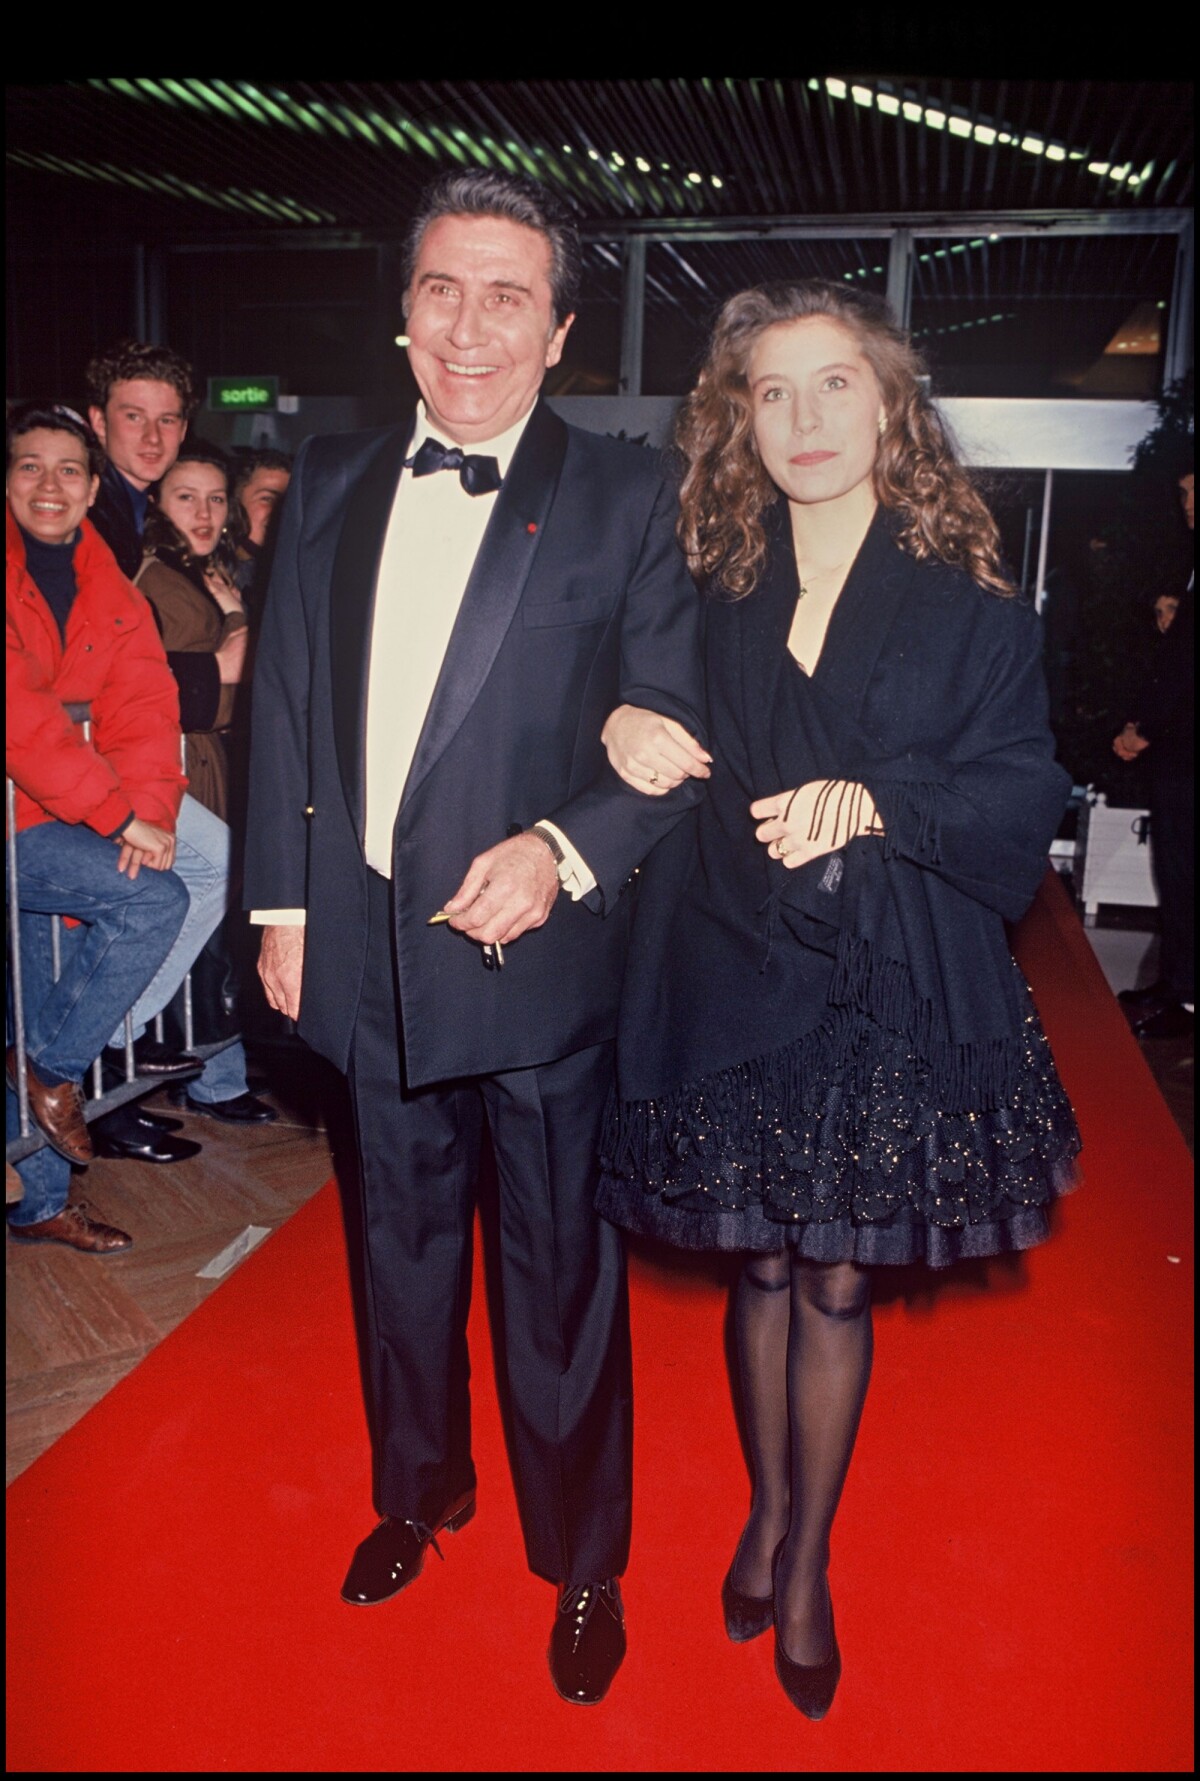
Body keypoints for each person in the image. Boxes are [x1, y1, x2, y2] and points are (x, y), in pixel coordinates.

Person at [244, 170, 705, 1705]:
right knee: (396, 1246)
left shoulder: (631, 496)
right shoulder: (329, 479)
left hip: (536, 954)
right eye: (443, 288)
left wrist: (567, 848)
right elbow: (290, 714)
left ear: (562, 329)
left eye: (509, 293)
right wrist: (284, 907)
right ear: (401, 316)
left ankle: (582, 1558)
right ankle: (417, 1485)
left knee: (558, 1270)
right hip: (363, 951)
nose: (471, 325)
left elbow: (673, 723)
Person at [596, 281, 1081, 1718]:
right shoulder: (706, 586)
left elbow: (1018, 790)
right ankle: (764, 1509)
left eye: (834, 386)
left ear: (890, 410)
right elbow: (630, 711)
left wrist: (872, 797)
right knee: (758, 1264)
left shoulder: (970, 612)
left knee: (837, 1273)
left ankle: (805, 1560)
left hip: (880, 982)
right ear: (739, 421)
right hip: (727, 959)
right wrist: (622, 713)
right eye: (771, 392)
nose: (804, 419)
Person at [5, 403, 192, 1251]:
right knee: (155, 902)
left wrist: (147, 812)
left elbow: (148, 704)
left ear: (90, 489)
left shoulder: (106, 579)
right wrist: (115, 813)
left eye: (69, 470)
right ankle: (48, 1072)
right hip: (20, 815)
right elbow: (20, 718)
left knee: (42, 987)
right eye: (29, 466)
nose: (51, 485)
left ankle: (40, 1202)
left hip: (53, 811)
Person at [84, 339, 256, 1152]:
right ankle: (93, 1060)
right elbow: (102, 657)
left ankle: (108, 1064)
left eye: (167, 420)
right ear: (98, 421)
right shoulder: (97, 515)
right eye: (132, 417)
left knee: (192, 886)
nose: (151, 437)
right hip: (99, 762)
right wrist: (216, 663)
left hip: (142, 755)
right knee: (188, 882)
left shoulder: (133, 517)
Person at [136, 443, 275, 1125]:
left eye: (217, 497)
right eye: (186, 495)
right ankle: (129, 1055)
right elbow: (229, 664)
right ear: (157, 502)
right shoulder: (152, 575)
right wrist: (239, 628)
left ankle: (217, 1076)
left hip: (214, 755)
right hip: (173, 759)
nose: (205, 510)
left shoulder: (207, 571)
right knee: (188, 905)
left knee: (215, 923)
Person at [1112, 465, 1194, 1039]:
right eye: (1183, 489)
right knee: (1178, 872)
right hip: (1179, 749)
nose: (1186, 499)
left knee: (1185, 872)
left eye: (1194, 489)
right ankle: (1178, 985)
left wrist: (1147, 729)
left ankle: (1185, 997)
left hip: (1186, 753)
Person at [230, 448, 293, 599]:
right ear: (234, 503)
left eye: (287, 503)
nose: (280, 511)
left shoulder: (286, 577)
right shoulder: (212, 572)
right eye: (267, 499)